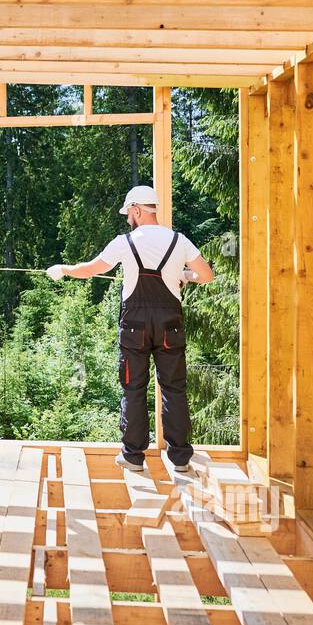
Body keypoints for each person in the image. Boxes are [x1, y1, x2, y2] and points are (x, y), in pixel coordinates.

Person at [47, 185, 214, 474]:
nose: (127, 220)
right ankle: (181, 459)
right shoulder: (179, 240)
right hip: (169, 326)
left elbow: (91, 269)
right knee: (175, 389)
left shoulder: (125, 242)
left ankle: (134, 457)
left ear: (137, 210)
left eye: (128, 214)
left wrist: (64, 268)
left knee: (134, 388)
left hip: (134, 326)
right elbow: (207, 275)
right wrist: (183, 275)